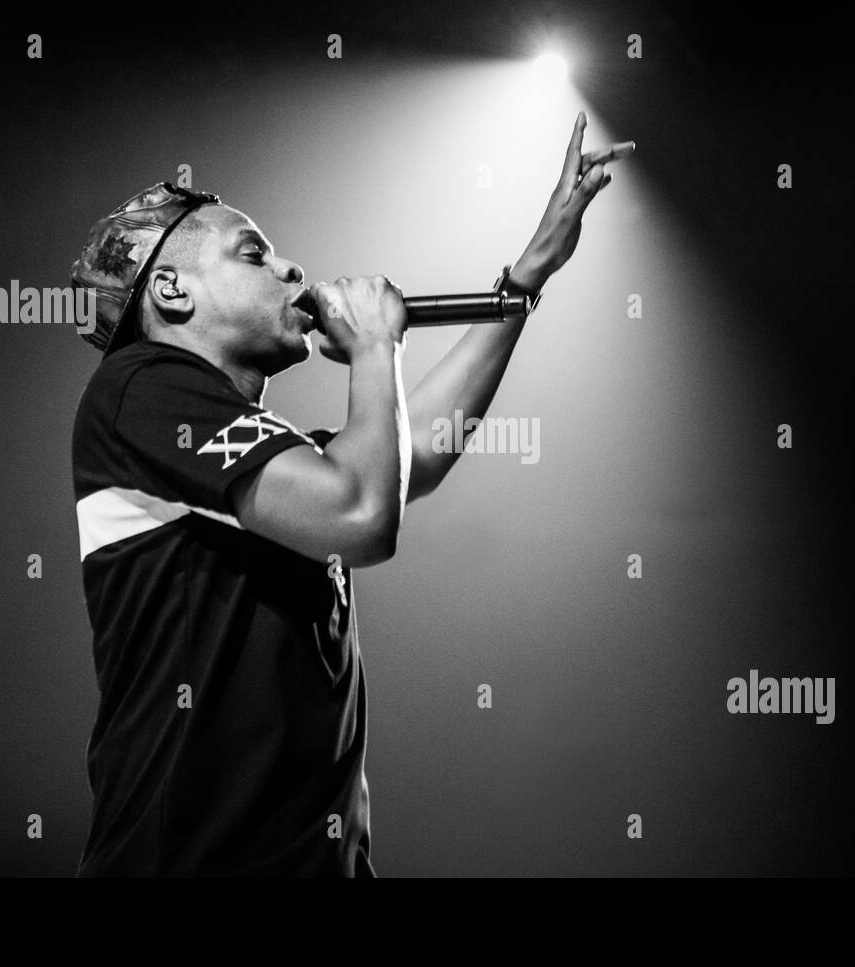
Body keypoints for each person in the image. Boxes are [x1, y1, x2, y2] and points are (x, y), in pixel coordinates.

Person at [68, 112, 633, 876]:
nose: (295, 271)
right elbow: (363, 514)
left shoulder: (252, 455)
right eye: (254, 253)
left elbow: (413, 454)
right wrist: (374, 346)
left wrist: (525, 277)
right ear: (170, 290)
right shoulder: (139, 387)